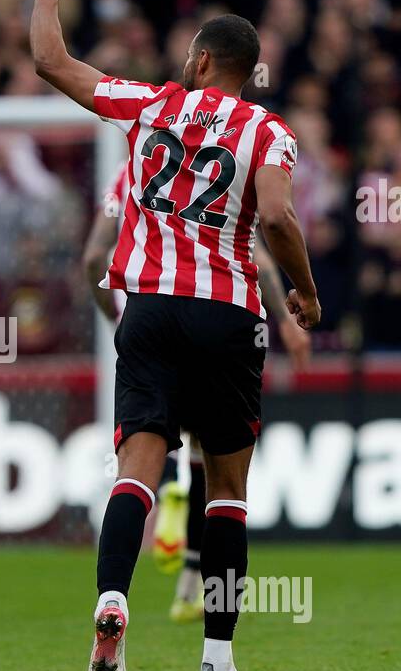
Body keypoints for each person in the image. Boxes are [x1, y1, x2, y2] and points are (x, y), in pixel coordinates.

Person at [32, 0, 321, 671]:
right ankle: (216, 663)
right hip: (228, 317)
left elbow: (50, 62)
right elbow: (282, 217)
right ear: (248, 70)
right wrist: (306, 292)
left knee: (138, 472)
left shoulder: (151, 104)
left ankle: (113, 600)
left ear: (199, 61)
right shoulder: (267, 130)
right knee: (225, 490)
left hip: (150, 310)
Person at [83, 162, 311, 626]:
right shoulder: (226, 162)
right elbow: (259, 252)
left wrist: (114, 317)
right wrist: (287, 320)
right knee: (213, 466)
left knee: (142, 453)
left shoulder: (129, 171)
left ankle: (163, 497)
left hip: (145, 317)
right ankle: (193, 589)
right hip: (217, 312)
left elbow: (92, 259)